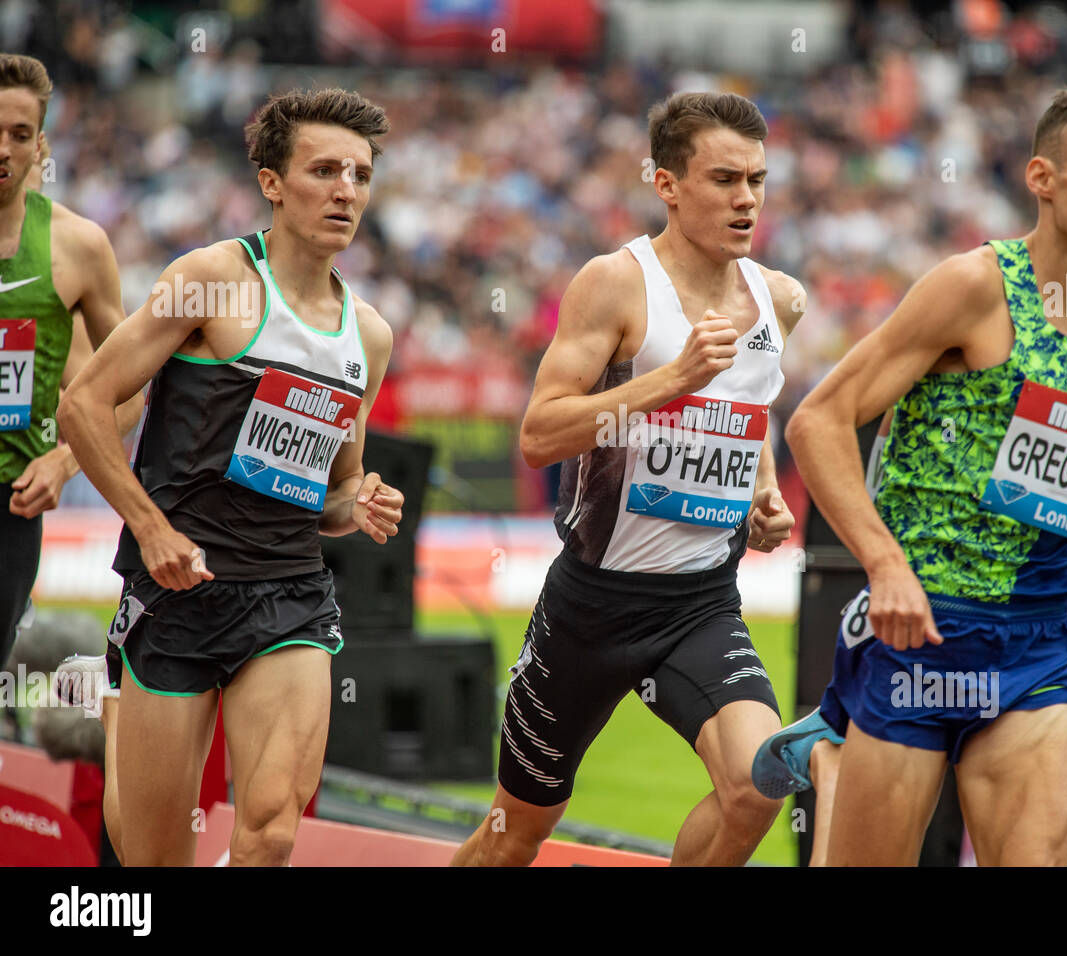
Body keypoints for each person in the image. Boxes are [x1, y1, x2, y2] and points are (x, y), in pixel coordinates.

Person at [754, 82, 1067, 866]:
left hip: (1035, 645)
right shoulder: (974, 287)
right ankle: (836, 752)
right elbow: (819, 421)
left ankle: (838, 738)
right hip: (919, 633)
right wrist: (886, 568)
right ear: (1042, 178)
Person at [453, 91, 803, 866]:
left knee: (759, 782)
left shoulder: (778, 298)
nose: (746, 199)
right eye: (723, 180)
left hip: (700, 602)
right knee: (518, 830)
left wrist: (762, 489)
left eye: (757, 179)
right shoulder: (615, 284)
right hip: (592, 605)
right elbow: (540, 435)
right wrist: (669, 379)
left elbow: (754, 403)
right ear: (668, 185)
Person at [58, 88, 405, 866]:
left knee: (272, 832)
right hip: (177, 591)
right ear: (272, 183)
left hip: (289, 593)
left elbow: (333, 493)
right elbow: (84, 404)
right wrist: (151, 530)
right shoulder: (212, 279)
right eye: (323, 170)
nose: (345, 190)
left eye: (360, 174)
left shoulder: (369, 336)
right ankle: (120, 716)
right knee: (151, 859)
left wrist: (362, 501)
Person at [0, 54, 140, 674]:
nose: (3, 149)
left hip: (10, 508)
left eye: (20, 134)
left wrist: (64, 460)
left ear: (42, 144)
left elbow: (131, 387)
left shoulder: (78, 249)